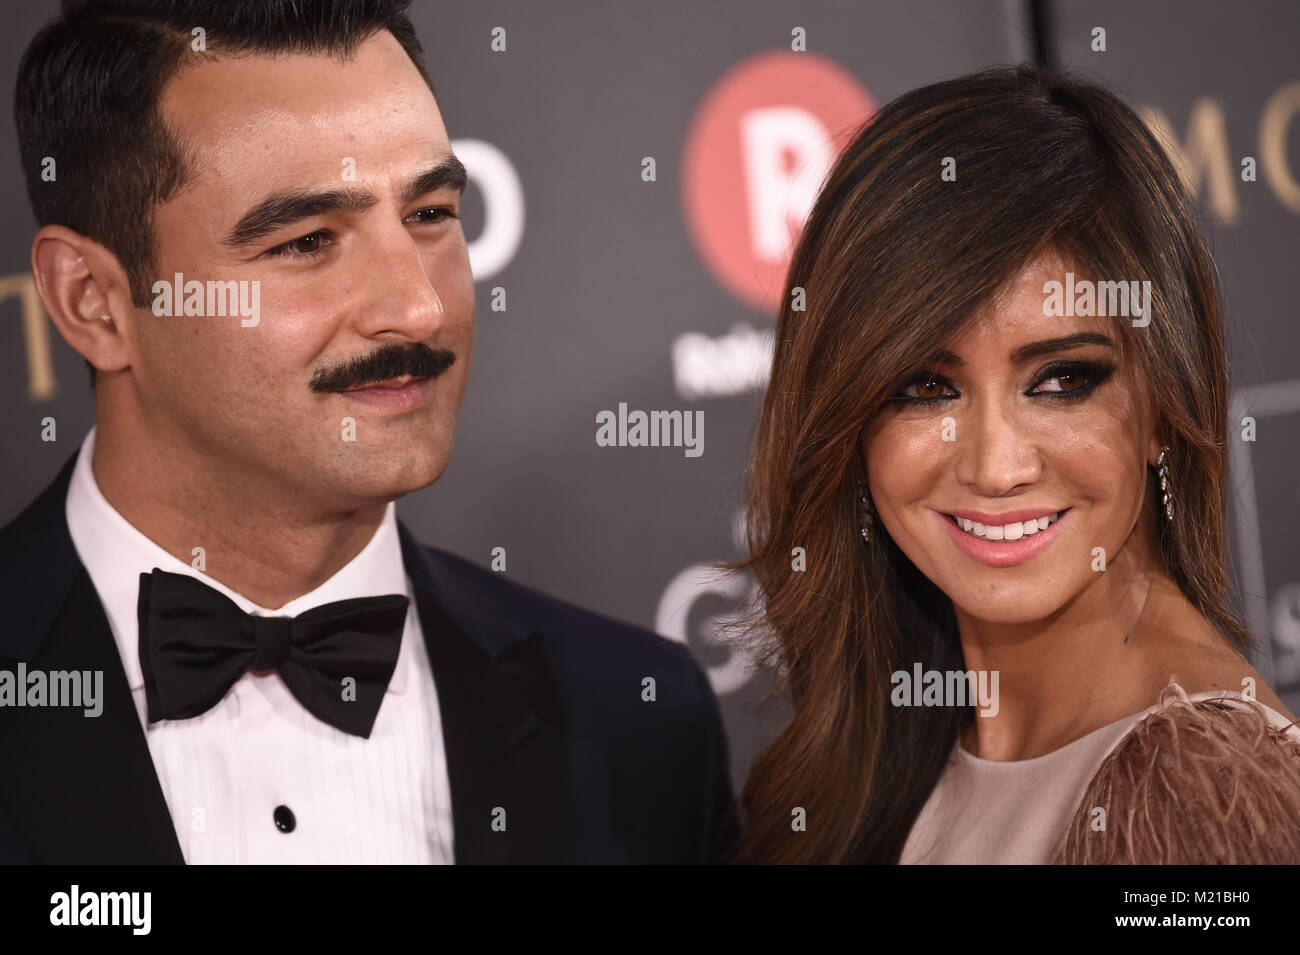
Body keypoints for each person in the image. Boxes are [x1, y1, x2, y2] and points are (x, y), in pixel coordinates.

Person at [0, 0, 735, 864]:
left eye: (430, 215)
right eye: (309, 241)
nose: (419, 307)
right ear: (94, 301)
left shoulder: (639, 721)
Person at [730, 64, 1300, 864]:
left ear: (1166, 404)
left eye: (1063, 380)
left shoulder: (1198, 807)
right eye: (924, 387)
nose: (997, 466)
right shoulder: (892, 750)